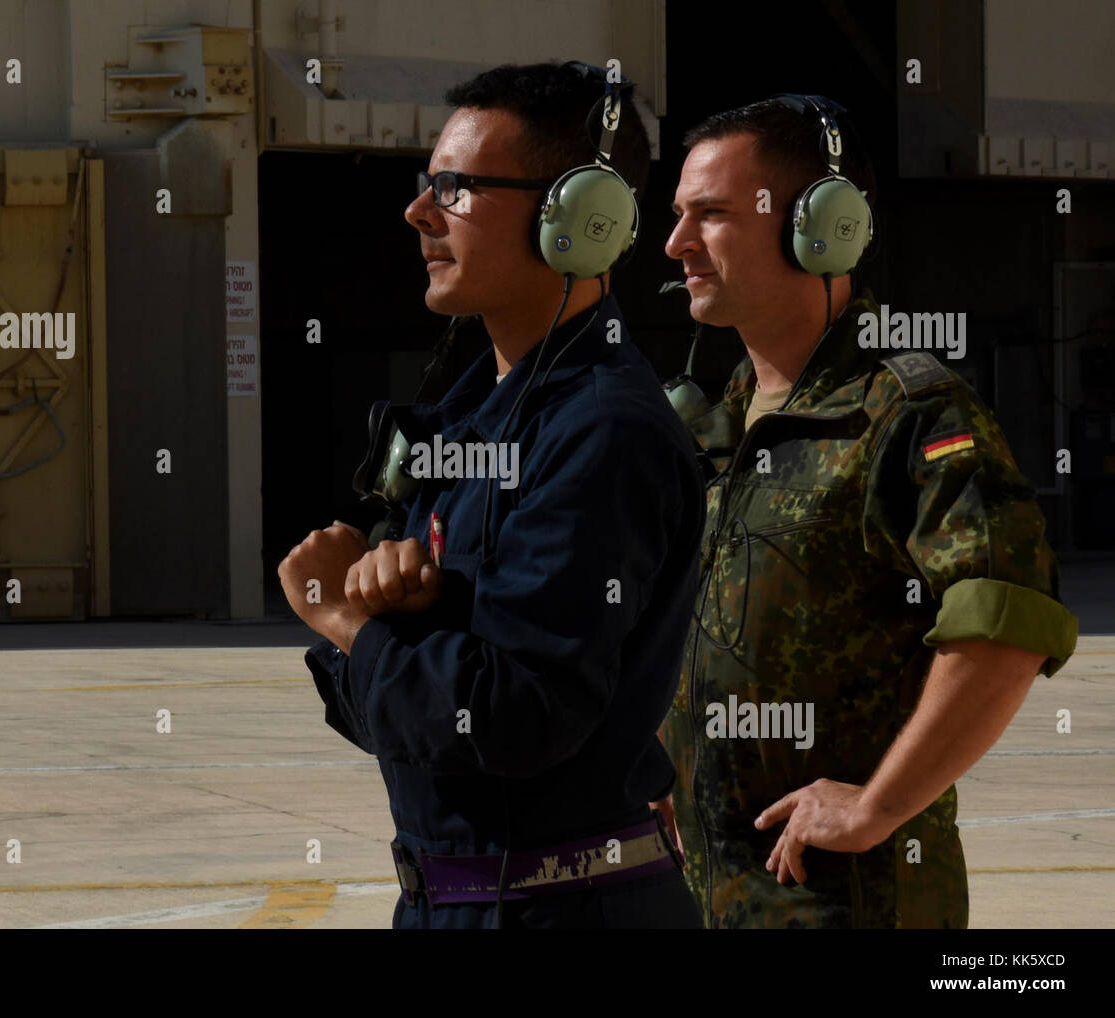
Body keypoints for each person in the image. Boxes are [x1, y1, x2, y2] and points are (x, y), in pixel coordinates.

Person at [278, 62, 706, 929]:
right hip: (461, 903)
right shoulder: (471, 417)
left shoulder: (602, 432)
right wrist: (400, 616)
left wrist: (345, 621)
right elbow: (394, 722)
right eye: (425, 185)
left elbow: (514, 717)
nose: (419, 213)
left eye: (456, 188)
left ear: (579, 221)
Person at [653, 95, 1080, 928]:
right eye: (677, 215)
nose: (676, 246)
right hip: (713, 898)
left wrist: (877, 806)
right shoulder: (715, 423)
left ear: (826, 227)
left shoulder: (907, 411)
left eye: (711, 214)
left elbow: (1008, 625)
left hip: (844, 903)